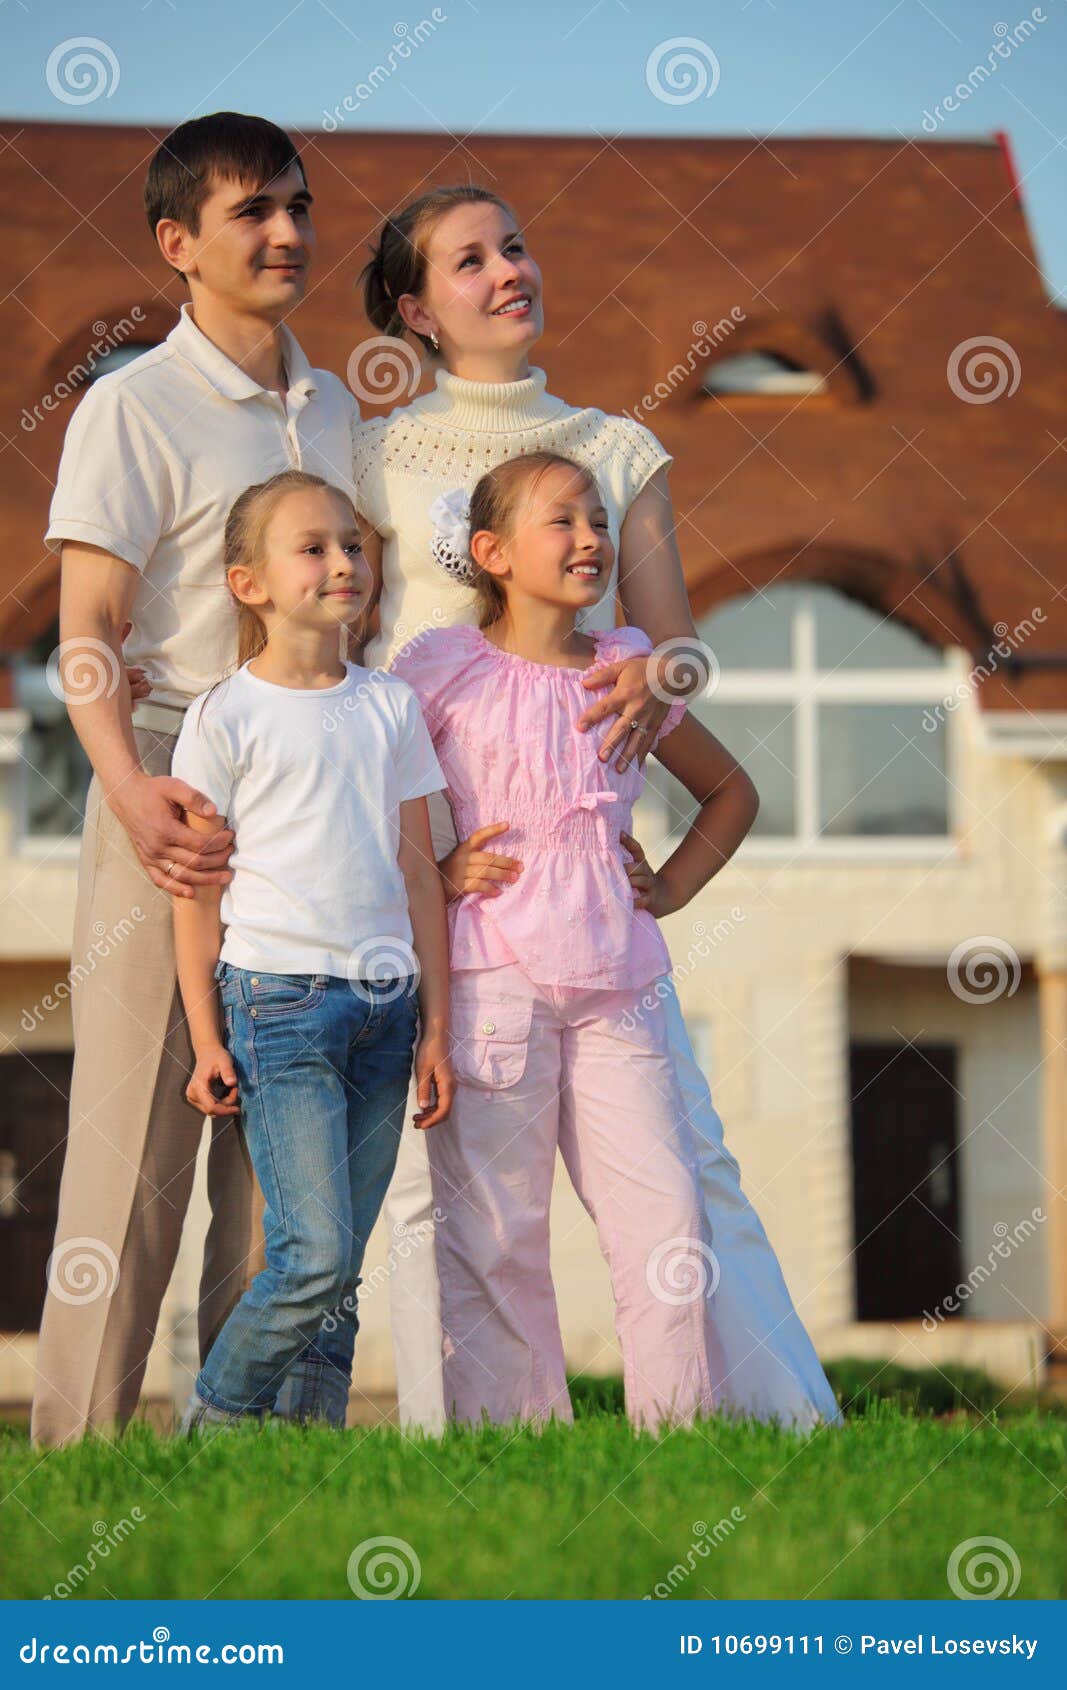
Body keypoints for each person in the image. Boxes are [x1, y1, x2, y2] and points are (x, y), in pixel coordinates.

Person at [352, 185, 843, 1431]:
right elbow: (359, 658)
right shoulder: (376, 450)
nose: (506, 269)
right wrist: (421, 856)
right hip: (449, 877)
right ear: (415, 307)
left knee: (689, 1178)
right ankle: (464, 1437)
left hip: (593, 868)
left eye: (513, 243)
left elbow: (675, 648)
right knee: (450, 1199)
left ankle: (767, 1415)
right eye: (469, 260)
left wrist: (647, 679)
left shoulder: (615, 447)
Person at [32, 112, 359, 1447]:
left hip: (311, 784)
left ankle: (259, 1452)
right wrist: (128, 789)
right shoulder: (129, 403)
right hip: (170, 779)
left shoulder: (335, 403)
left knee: (287, 1145)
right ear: (177, 244)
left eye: (294, 206)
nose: (285, 233)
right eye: (250, 214)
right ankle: (82, 1450)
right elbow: (86, 634)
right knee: (133, 1155)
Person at [390, 450, 756, 1428]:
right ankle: (511, 1445)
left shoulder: (627, 670)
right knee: (496, 1237)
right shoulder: (438, 668)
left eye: (597, 519)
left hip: (618, 984)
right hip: (488, 982)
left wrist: (669, 885)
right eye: (562, 521)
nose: (591, 539)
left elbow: (731, 791)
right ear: (490, 552)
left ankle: (677, 1438)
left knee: (666, 1223)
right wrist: (431, 867)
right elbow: (376, 794)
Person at [171, 469, 453, 1432]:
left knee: (339, 1283)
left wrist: (436, 1030)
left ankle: (302, 1463)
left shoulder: (389, 707)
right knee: (312, 1257)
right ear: (248, 583)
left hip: (387, 1011)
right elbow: (197, 893)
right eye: (313, 547)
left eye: (352, 544)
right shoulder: (225, 716)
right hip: (277, 1006)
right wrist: (208, 1041)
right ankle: (209, 1430)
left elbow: (422, 875)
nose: (343, 562)